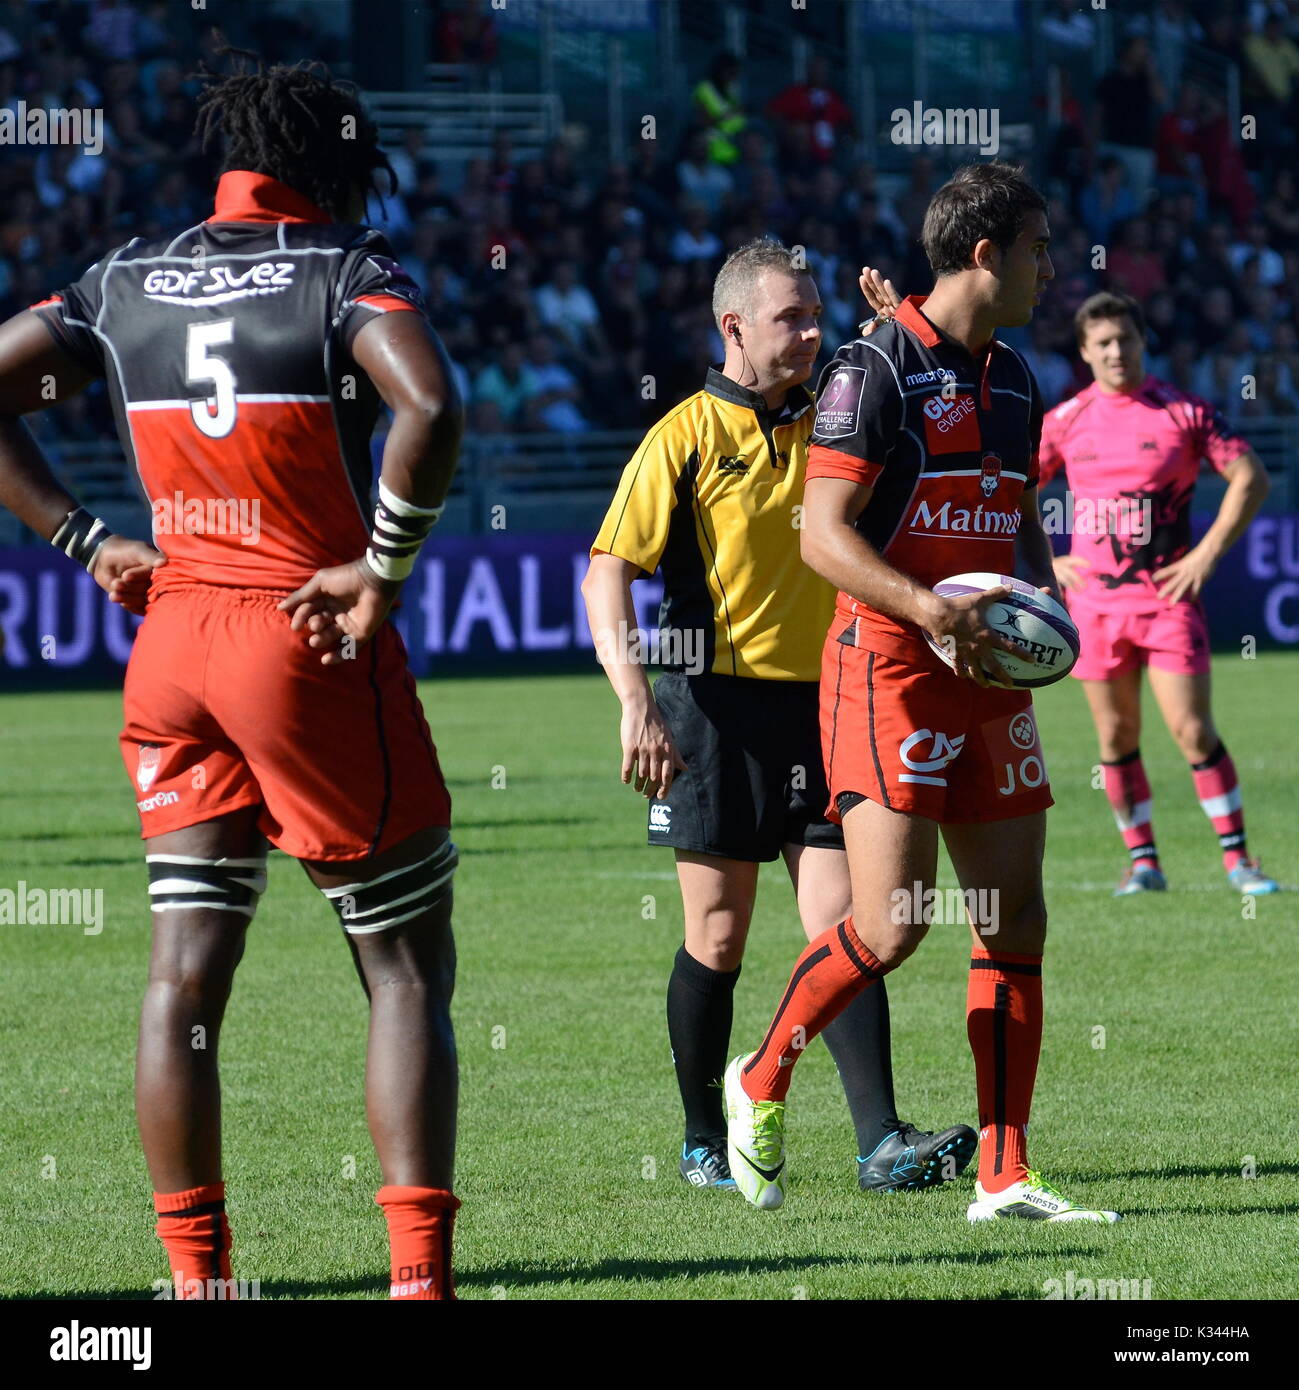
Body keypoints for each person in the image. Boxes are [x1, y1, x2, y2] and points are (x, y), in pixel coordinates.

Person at [0, 57, 465, 1299]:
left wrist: (84, 538)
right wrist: (381, 566)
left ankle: (197, 1284)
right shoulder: (344, 268)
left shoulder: (124, 275)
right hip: (305, 631)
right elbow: (431, 405)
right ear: (329, 168)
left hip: (171, 644)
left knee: (184, 974)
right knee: (405, 964)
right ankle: (418, 1281)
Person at [724, 163, 1122, 1224]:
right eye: (1039, 247)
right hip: (891, 667)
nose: (1051, 266)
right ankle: (760, 1073)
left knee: (1014, 916)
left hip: (987, 670)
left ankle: (1006, 1172)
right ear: (986, 253)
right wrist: (927, 610)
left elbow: (1018, 512)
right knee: (892, 925)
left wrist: (1041, 595)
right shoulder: (874, 368)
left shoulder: (1020, 376)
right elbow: (820, 536)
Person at [581, 239, 976, 1196]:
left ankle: (880, 1142)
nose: (809, 332)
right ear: (734, 329)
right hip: (709, 710)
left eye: (814, 315)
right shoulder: (680, 436)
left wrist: (900, 334)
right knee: (716, 935)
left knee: (845, 924)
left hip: (830, 705)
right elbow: (607, 573)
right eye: (790, 318)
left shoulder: (836, 414)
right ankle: (700, 1143)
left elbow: (928, 395)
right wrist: (635, 700)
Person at [1039, 291, 1277, 896]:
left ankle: (1240, 863)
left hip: (1168, 601)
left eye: (1126, 339)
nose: (1117, 351)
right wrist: (1044, 559)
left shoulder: (1184, 412)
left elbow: (1251, 476)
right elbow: (1010, 489)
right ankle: (1144, 864)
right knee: (1116, 736)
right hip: (1094, 606)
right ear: (1086, 354)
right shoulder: (1065, 421)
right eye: (1103, 343)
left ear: (1143, 342)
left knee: (1193, 730)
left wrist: (1206, 554)